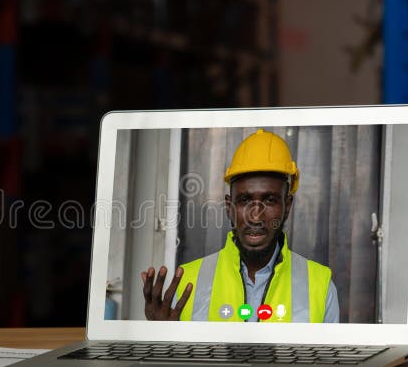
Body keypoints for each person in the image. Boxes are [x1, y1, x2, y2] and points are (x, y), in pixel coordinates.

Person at [141, 128, 340, 323]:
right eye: (245, 200)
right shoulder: (187, 283)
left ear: (287, 206)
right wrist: (162, 335)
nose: (255, 216)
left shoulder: (320, 285)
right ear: (229, 207)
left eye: (270, 200)